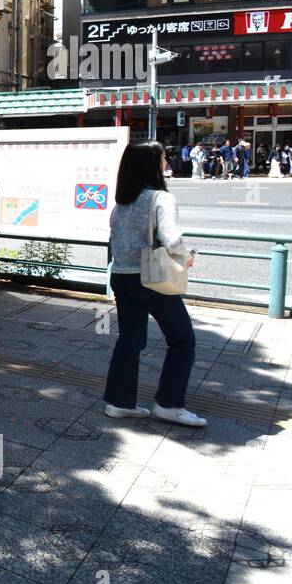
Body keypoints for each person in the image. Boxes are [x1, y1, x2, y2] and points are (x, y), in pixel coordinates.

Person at [103, 141, 204, 427]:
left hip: (121, 277)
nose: (165, 163)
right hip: (151, 279)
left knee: (130, 340)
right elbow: (172, 240)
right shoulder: (160, 198)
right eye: (162, 158)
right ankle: (169, 404)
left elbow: (115, 242)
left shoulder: (121, 203)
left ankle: (119, 403)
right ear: (151, 164)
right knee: (182, 339)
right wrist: (187, 257)